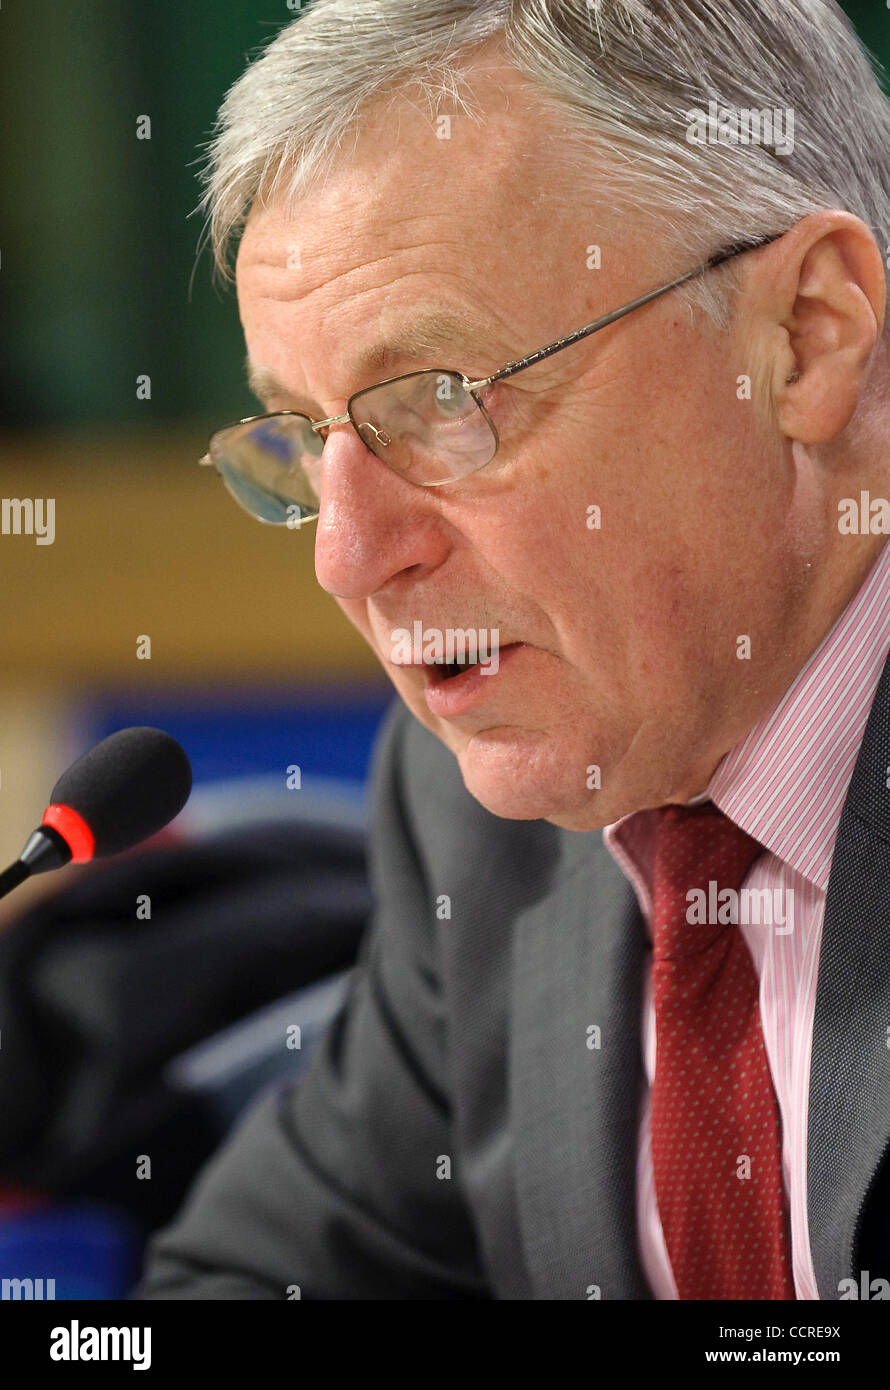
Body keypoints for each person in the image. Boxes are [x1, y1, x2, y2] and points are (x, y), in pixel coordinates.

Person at [138, 0, 890, 1299]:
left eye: (440, 398)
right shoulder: (476, 804)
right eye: (306, 437)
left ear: (804, 336)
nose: (347, 557)